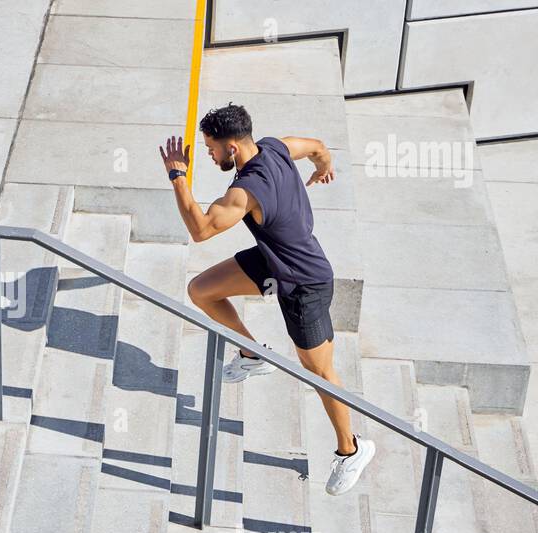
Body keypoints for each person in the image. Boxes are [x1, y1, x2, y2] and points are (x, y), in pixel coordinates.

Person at [158, 103, 375, 496]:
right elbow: (317, 146)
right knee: (201, 290)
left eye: (211, 149)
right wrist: (322, 167)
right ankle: (252, 354)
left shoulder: (244, 192)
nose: (209, 155)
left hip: (304, 283)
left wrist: (178, 177)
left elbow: (201, 229)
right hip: (274, 261)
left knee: (321, 373)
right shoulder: (274, 146)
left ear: (233, 148)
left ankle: (351, 449)